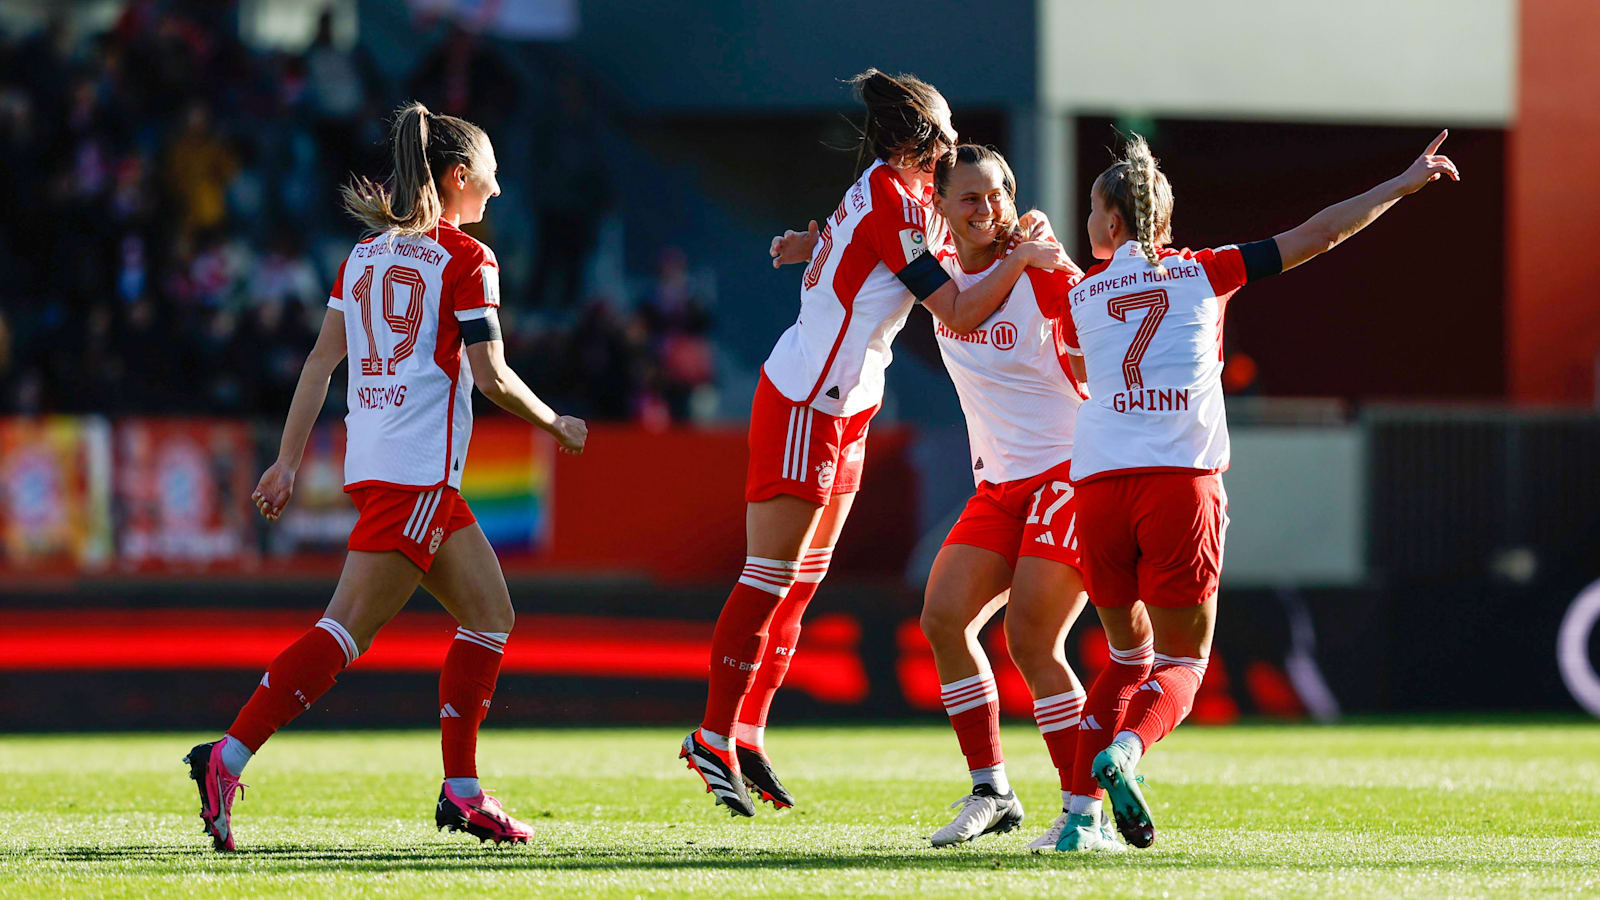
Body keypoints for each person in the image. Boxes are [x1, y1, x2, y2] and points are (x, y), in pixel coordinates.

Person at [183, 102, 588, 851]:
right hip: (417, 475)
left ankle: (462, 791)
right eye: (490, 180)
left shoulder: (362, 256)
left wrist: (287, 459)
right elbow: (492, 377)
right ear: (459, 177)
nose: (496, 194)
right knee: (344, 631)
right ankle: (226, 757)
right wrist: (555, 422)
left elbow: (319, 363)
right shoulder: (468, 260)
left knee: (490, 615)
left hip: (379, 465)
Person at [681, 69, 1073, 818]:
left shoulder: (893, 189)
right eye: (946, 128)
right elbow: (954, 309)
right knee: (770, 575)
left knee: (801, 584)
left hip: (848, 407)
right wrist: (1023, 259)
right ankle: (711, 732)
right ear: (917, 137)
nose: (956, 140)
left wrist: (809, 244)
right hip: (807, 403)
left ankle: (750, 732)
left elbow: (855, 237)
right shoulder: (896, 201)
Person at [1060, 131, 1458, 849]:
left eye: (1091, 208)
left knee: (1124, 657)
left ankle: (1077, 822)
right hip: (1178, 482)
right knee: (1182, 662)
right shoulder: (1208, 272)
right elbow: (1321, 234)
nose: (1086, 220)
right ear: (1166, 222)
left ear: (1112, 223)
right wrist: (1400, 184)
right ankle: (1126, 755)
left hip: (1095, 483)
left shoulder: (1082, 294)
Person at [771, 145, 1143, 852]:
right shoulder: (937, 258)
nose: (986, 209)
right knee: (943, 618)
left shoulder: (1042, 268)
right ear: (939, 207)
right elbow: (872, 236)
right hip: (1000, 485)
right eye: (968, 198)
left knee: (1033, 639)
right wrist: (811, 243)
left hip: (1068, 475)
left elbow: (1108, 338)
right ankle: (993, 790)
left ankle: (1084, 813)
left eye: (997, 194)